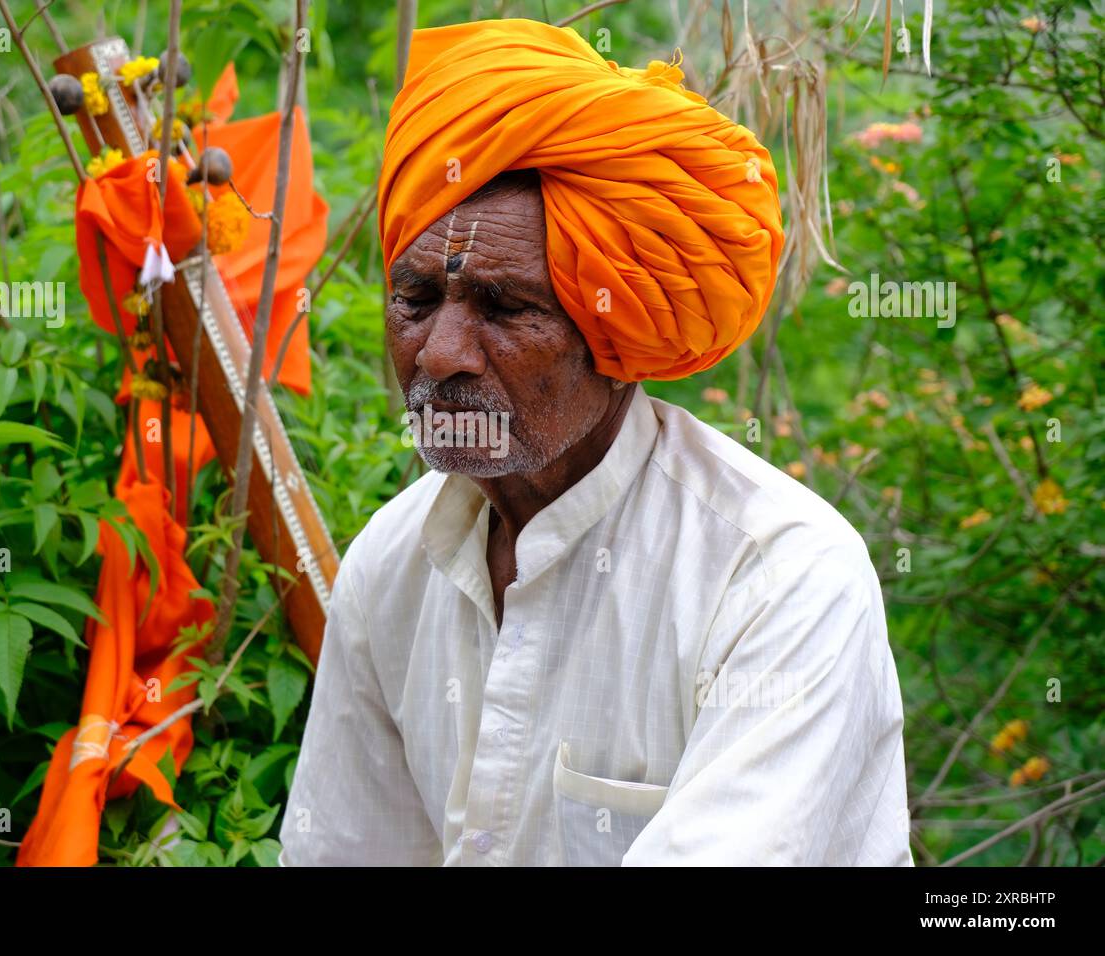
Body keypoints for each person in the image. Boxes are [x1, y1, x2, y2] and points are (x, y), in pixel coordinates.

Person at [278, 18, 911, 866]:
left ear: (620, 341)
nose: (438, 354)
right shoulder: (392, 566)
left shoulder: (776, 576)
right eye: (417, 298)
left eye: (506, 310)